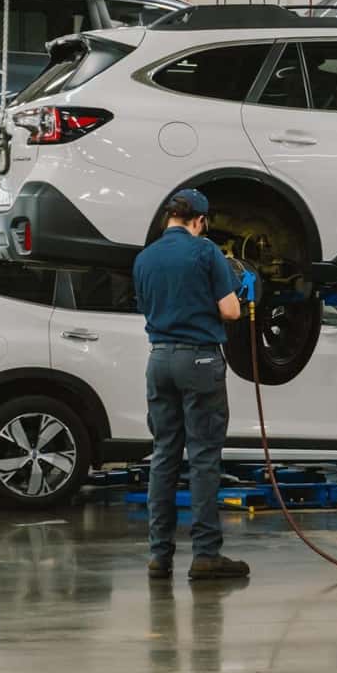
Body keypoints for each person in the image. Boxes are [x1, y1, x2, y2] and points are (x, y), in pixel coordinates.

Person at [133, 188, 250, 581]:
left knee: (164, 455)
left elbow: (147, 307)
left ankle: (159, 557)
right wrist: (238, 289)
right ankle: (205, 556)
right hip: (199, 358)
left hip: (159, 359)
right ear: (199, 221)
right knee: (202, 458)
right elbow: (231, 310)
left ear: (169, 218)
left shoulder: (144, 257)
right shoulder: (205, 252)